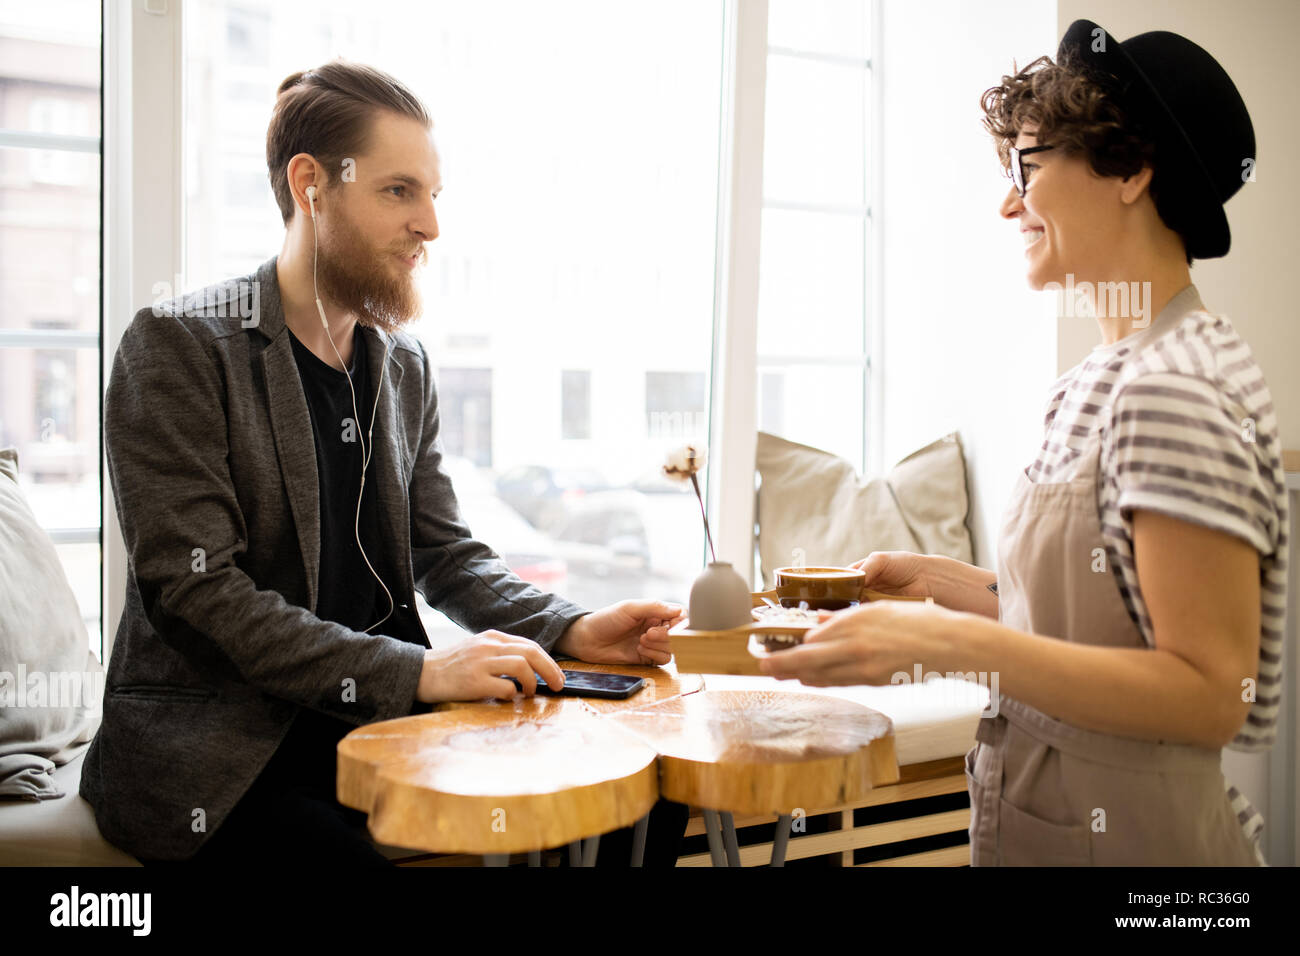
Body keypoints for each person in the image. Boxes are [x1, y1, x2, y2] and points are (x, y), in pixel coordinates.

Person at [82, 60, 686, 865]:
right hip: (232, 744)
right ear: (312, 186)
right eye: (400, 191)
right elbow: (200, 591)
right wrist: (418, 672)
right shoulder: (179, 346)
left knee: (643, 796)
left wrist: (571, 625)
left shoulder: (403, 364)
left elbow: (443, 553)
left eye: (434, 195)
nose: (431, 224)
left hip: (380, 717)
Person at [759, 20, 1288, 866]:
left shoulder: (1175, 387)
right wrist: (933, 587)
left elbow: (1210, 692)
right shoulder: (1099, 378)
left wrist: (944, 644)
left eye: (1027, 169)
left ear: (1131, 169)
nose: (1009, 202)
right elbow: (1095, 616)